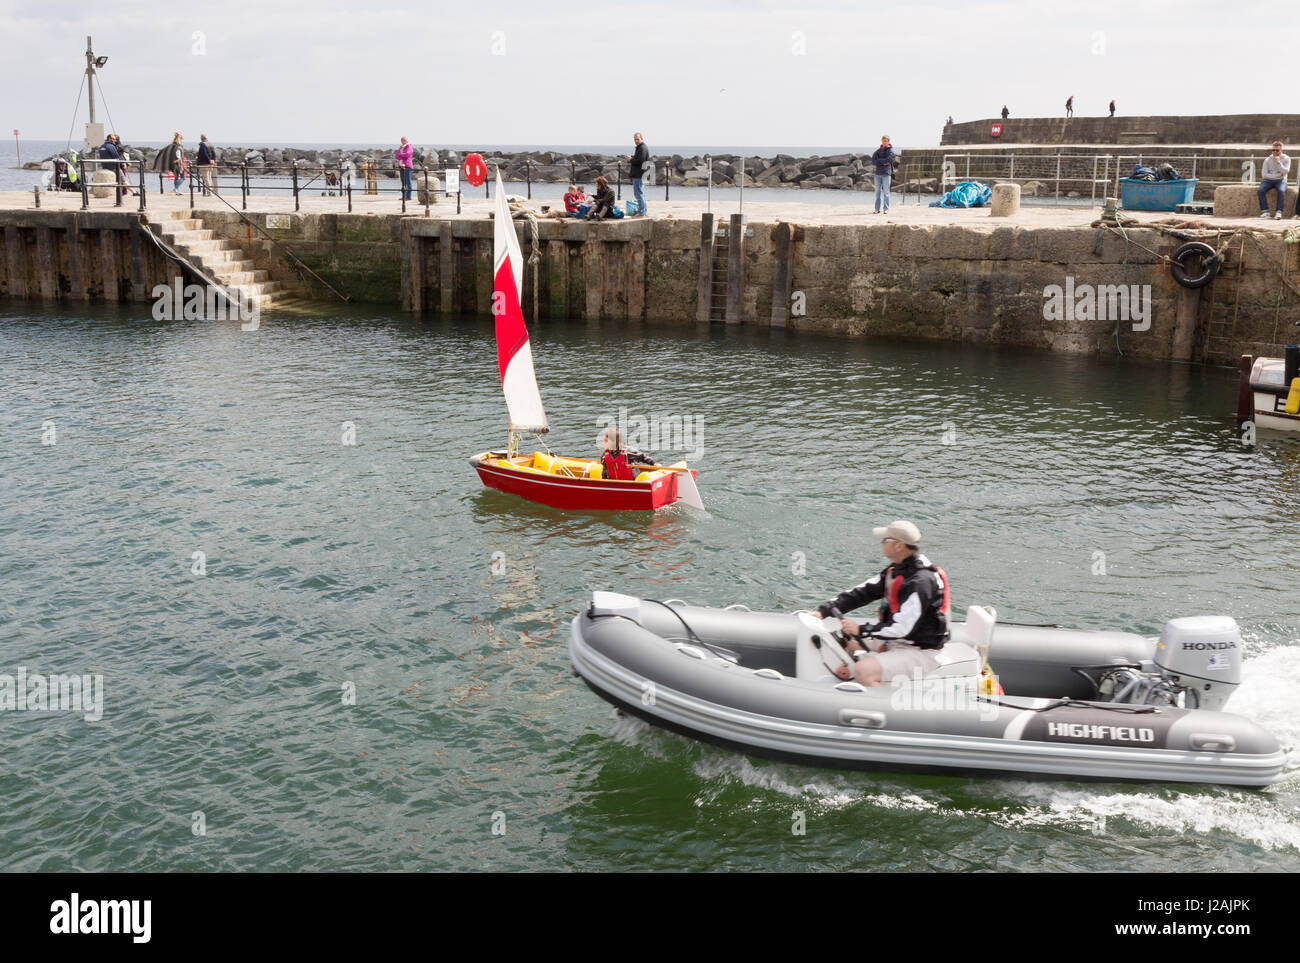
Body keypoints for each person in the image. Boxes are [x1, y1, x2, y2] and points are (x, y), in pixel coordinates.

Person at [816, 520, 951, 687]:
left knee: (863, 670)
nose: (882, 543)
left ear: (899, 546)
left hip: (921, 651)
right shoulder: (896, 570)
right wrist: (824, 611)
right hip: (901, 641)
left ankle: (880, 705)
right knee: (843, 640)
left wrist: (862, 630)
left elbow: (902, 628)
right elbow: (863, 592)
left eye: (886, 540)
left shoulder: (920, 583)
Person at [1259, 141, 1290, 219]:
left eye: (1277, 150)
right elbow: (1264, 175)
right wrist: (1278, 175)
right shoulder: (1267, 160)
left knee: (1281, 191)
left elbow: (1286, 171)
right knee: (1260, 190)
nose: (1275, 152)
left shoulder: (1286, 158)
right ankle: (1266, 212)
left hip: (1281, 180)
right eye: (1273, 150)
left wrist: (1279, 163)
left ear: (1281, 150)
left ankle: (1278, 212)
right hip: (1268, 180)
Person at [870, 136, 895, 214]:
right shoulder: (878, 151)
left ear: (888, 141)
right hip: (877, 174)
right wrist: (882, 162)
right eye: (883, 141)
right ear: (881, 141)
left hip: (886, 174)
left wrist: (879, 161)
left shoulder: (891, 151)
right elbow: (873, 161)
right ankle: (877, 209)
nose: (884, 142)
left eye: (886, 141)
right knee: (877, 192)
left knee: (886, 193)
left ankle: (886, 209)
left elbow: (889, 159)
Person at [626, 132, 649, 217]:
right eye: (635, 139)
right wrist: (632, 158)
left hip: (639, 174)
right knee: (640, 193)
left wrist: (631, 160)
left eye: (638, 139)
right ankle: (643, 211)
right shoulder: (641, 147)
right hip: (640, 174)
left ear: (641, 139)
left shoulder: (642, 148)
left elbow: (641, 161)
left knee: (638, 193)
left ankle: (641, 212)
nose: (636, 141)